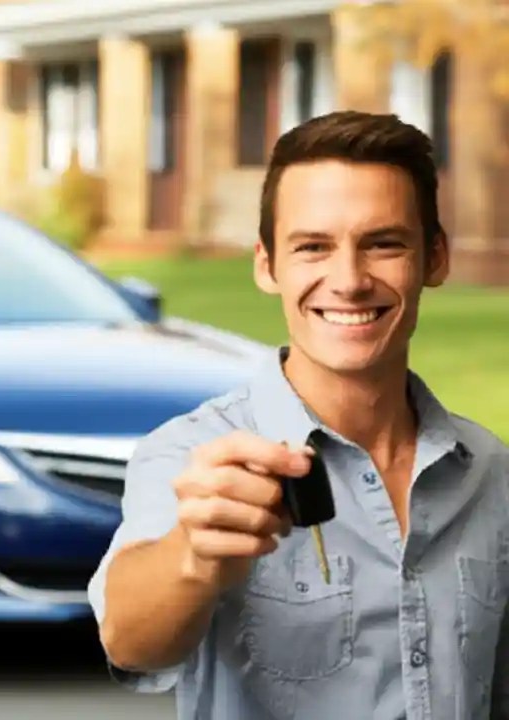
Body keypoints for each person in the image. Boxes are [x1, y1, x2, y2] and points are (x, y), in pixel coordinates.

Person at [85, 110, 509, 720]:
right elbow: (131, 641)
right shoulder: (192, 456)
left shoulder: (489, 473)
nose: (349, 280)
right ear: (267, 265)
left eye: (383, 244)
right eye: (313, 247)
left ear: (434, 259)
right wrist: (194, 556)